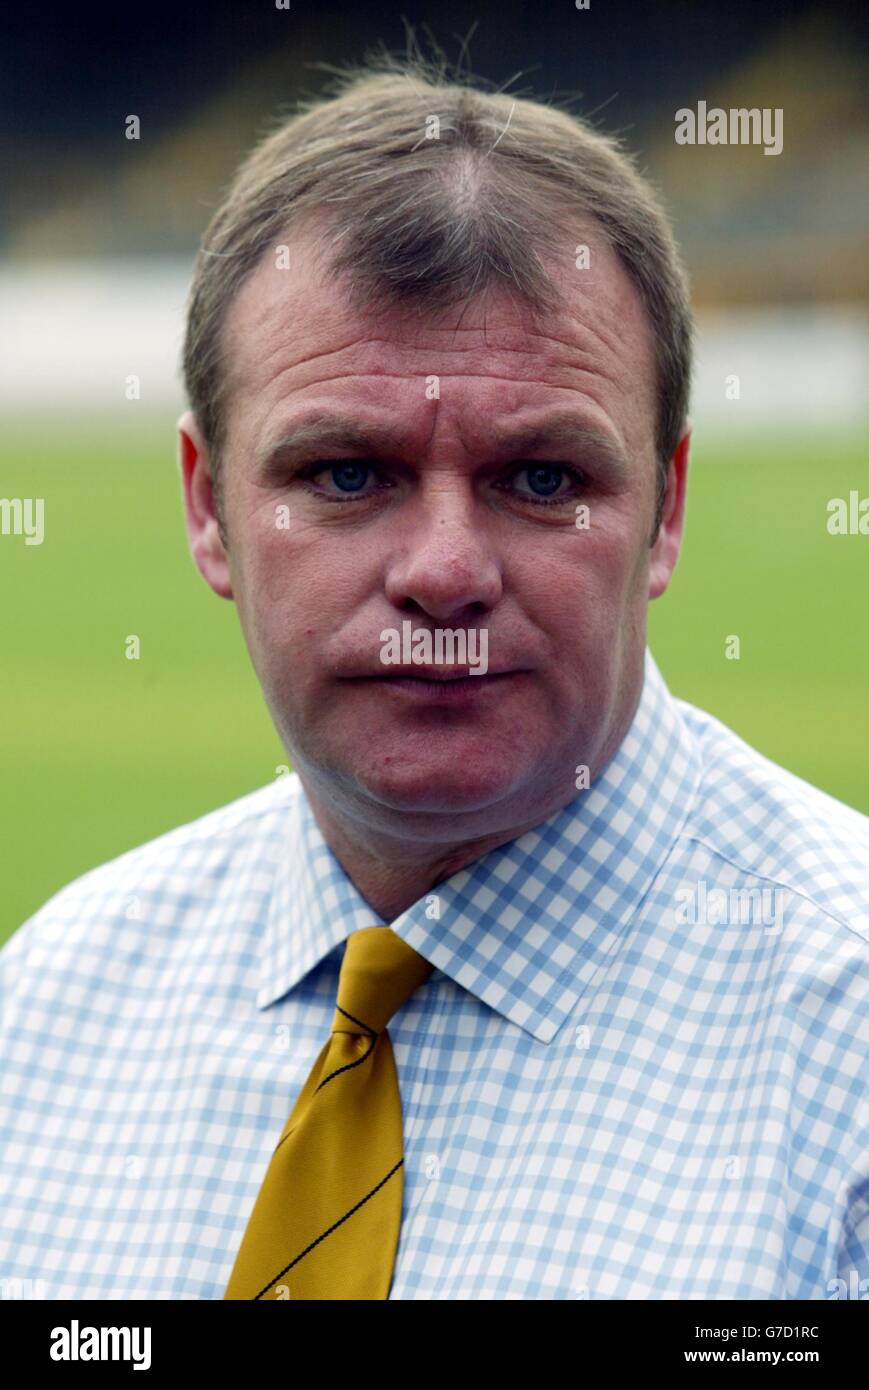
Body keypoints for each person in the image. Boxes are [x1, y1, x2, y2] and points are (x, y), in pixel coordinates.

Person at [1, 58, 867, 1302]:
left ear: (666, 509)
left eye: (542, 479)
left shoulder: (842, 1059)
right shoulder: (47, 1010)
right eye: (347, 475)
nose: (444, 572)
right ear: (206, 508)